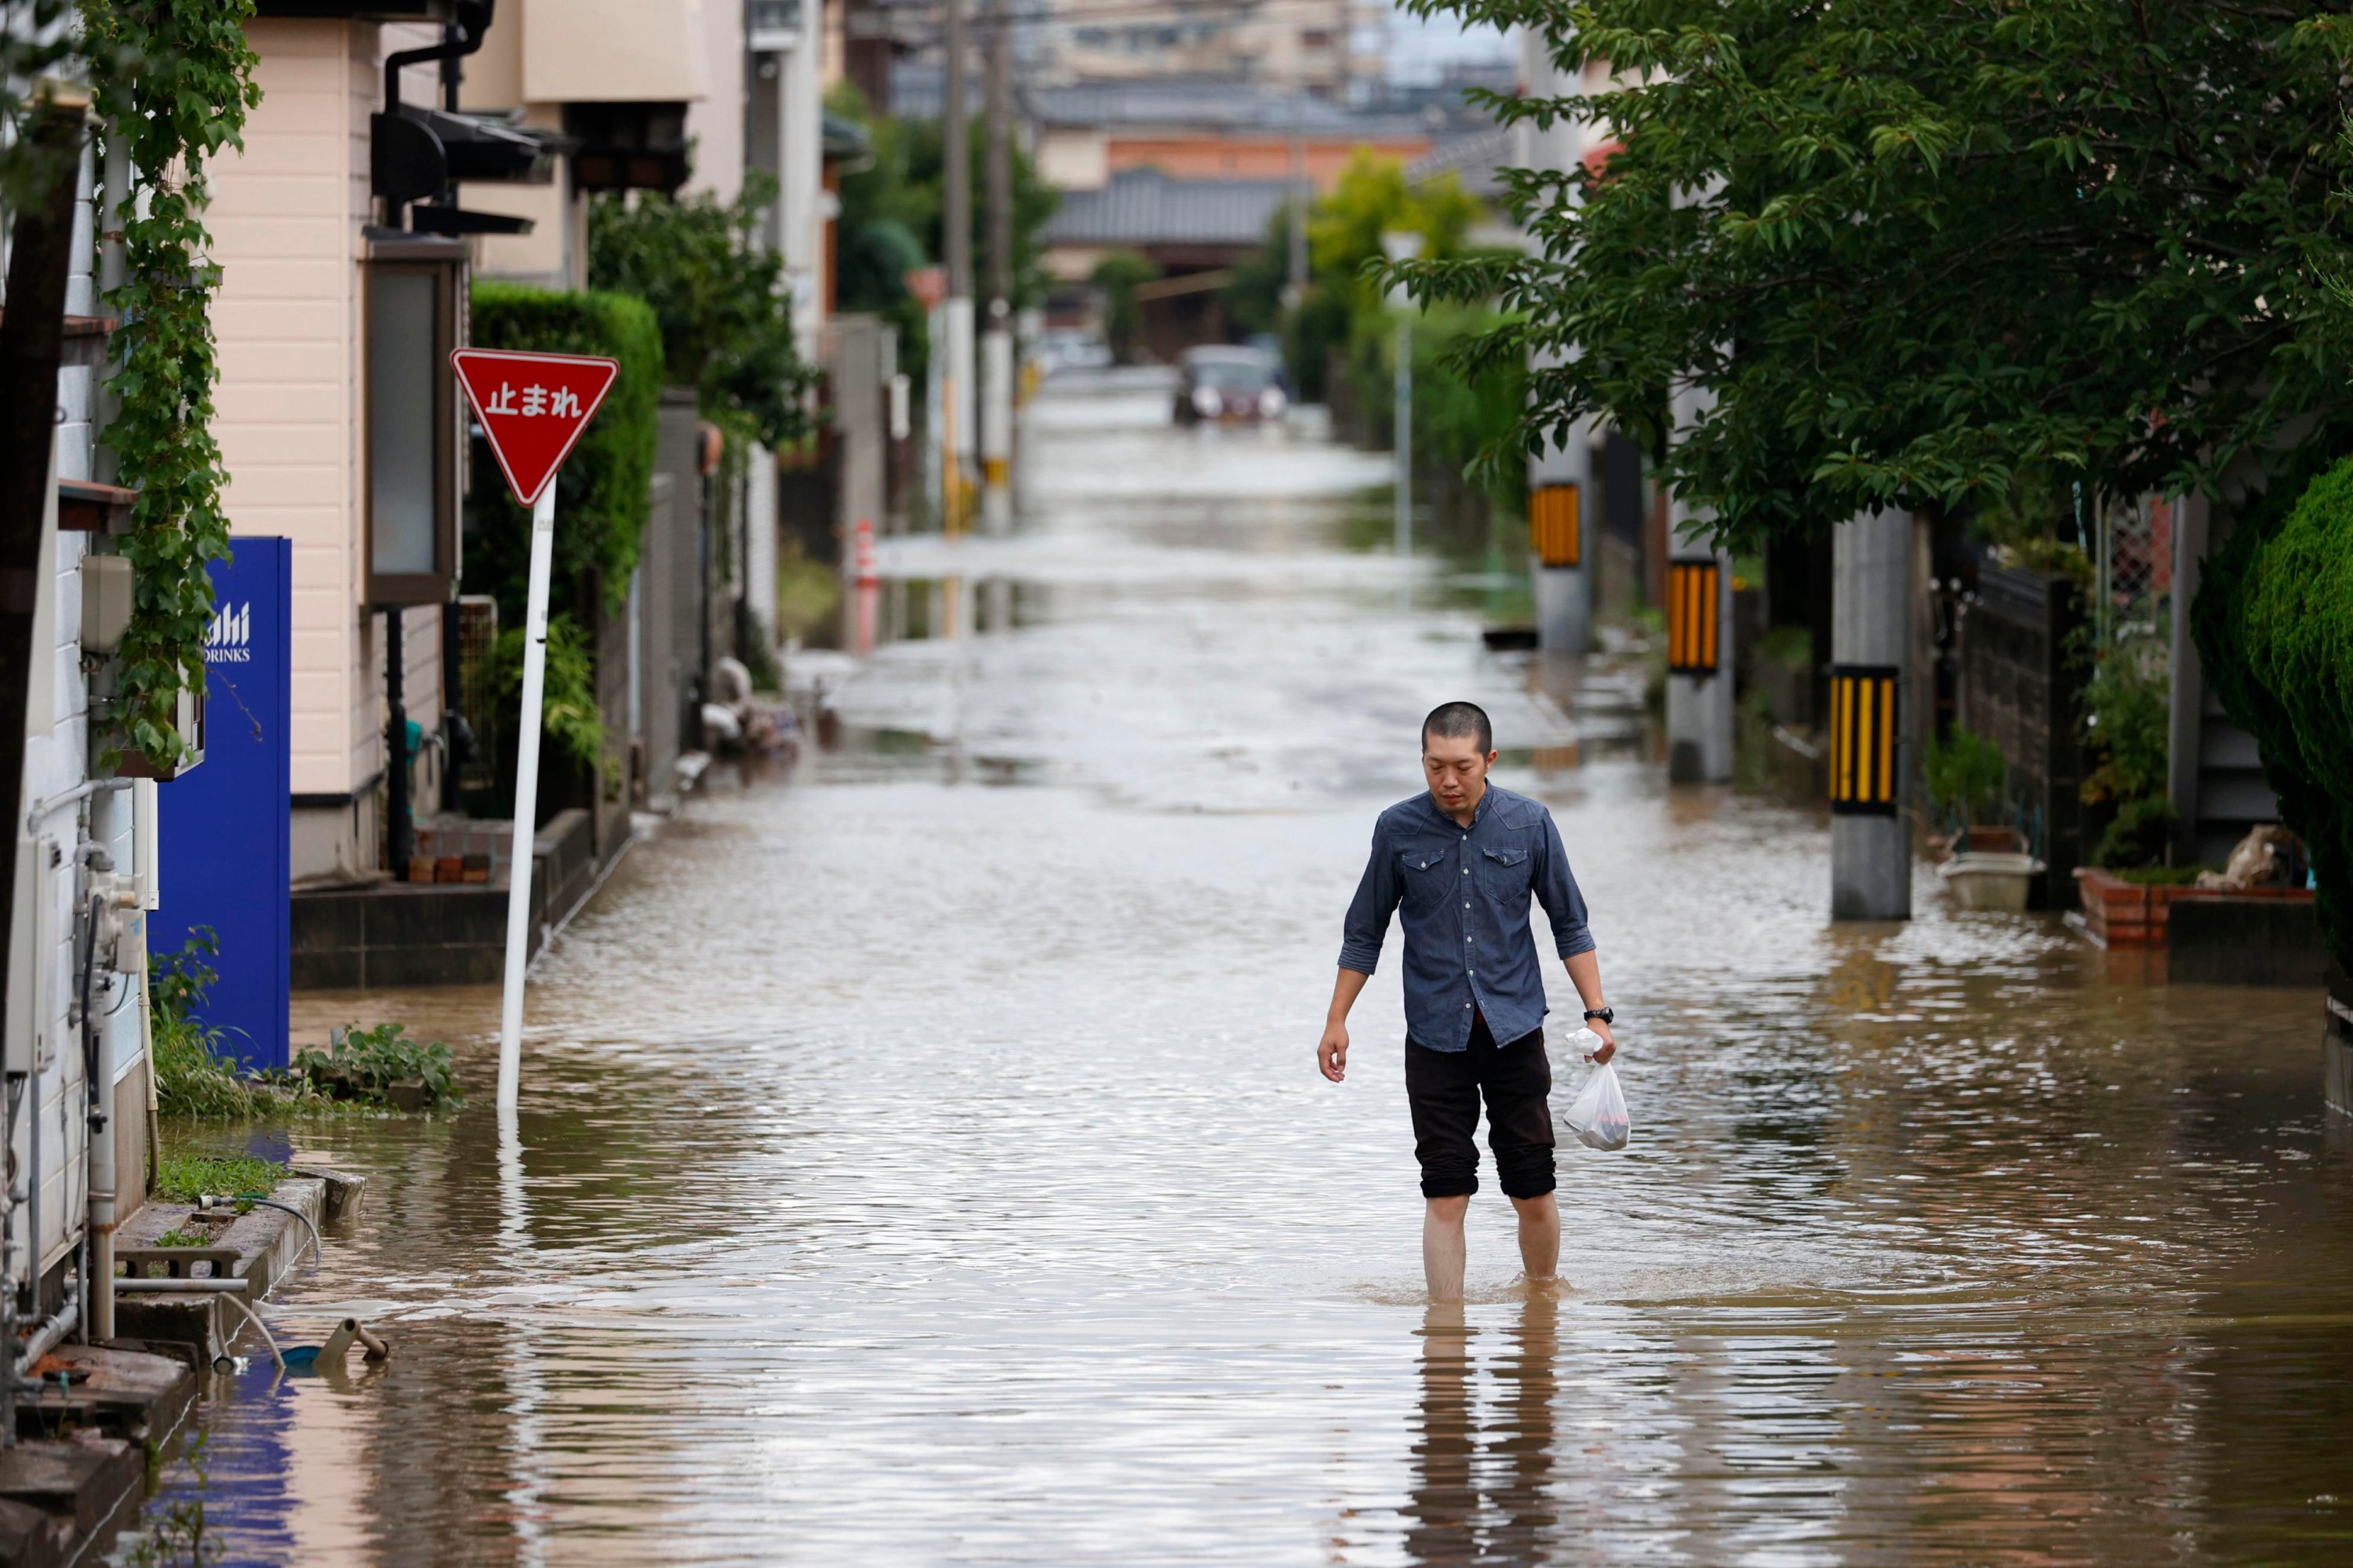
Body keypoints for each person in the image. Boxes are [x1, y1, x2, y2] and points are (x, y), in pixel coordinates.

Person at [1318, 700, 1614, 1301]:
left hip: (1514, 1032)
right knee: (1445, 1189)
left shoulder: (1529, 824)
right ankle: (1444, 1330)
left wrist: (1598, 1015)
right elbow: (1364, 932)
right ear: (1423, 762)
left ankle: (1542, 1303)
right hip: (1434, 1037)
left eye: (1461, 766)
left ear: (1489, 761)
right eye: (1434, 767)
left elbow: (1570, 925)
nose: (1448, 781)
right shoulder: (1397, 828)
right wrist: (1336, 1019)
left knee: (1531, 1186)